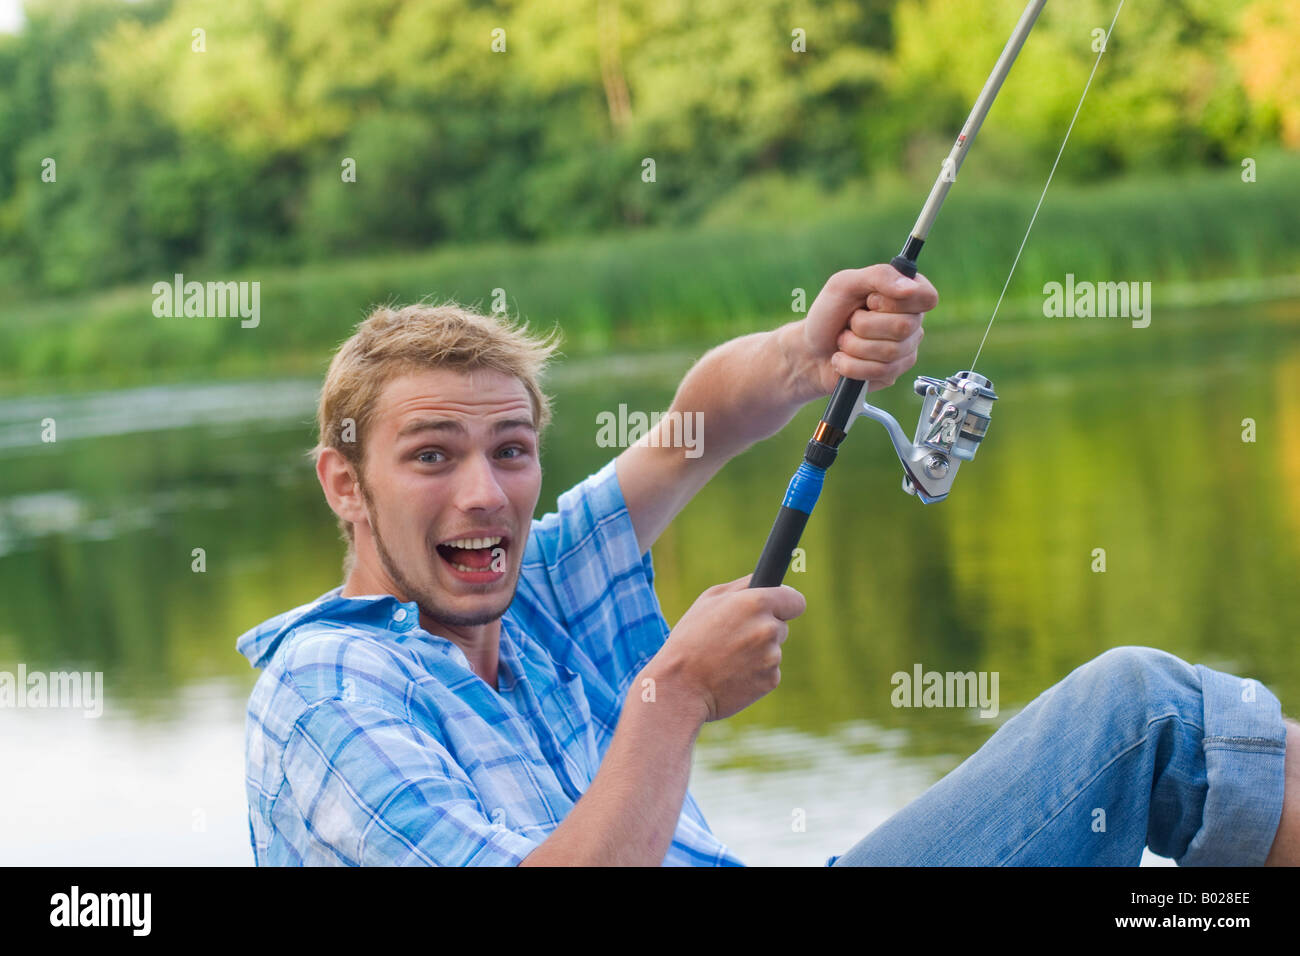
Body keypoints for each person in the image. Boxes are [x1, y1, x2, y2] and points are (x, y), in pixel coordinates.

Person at [236, 267, 1298, 866]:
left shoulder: (533, 587)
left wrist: (808, 352)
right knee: (1139, 716)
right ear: (343, 483)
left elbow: (695, 427)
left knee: (1153, 721)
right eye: (432, 455)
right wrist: (673, 692)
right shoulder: (327, 686)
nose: (483, 491)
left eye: (509, 450)